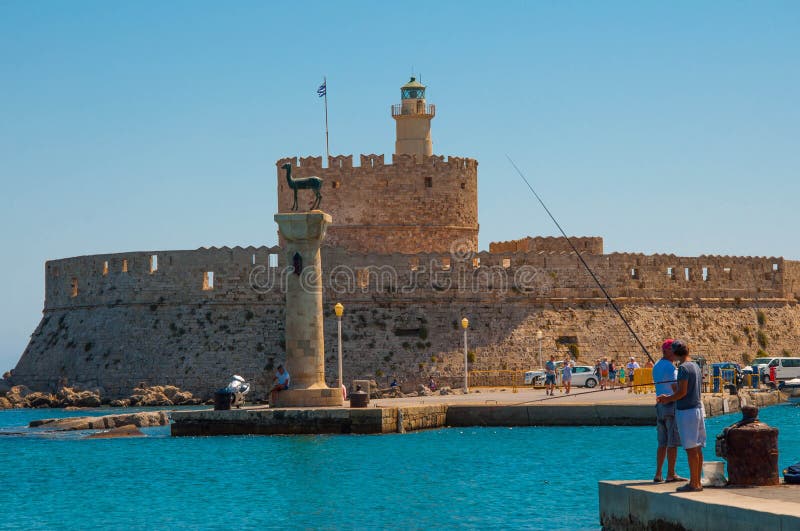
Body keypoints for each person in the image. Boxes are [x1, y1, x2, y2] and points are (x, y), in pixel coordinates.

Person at [657, 340, 705, 492]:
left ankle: (694, 483)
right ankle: (697, 482)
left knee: (690, 448)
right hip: (698, 409)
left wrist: (667, 398)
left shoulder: (683, 368)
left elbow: (682, 392)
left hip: (687, 412)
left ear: (677, 353)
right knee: (697, 448)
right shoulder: (695, 366)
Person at [652, 339, 686, 483]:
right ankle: (671, 474)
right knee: (672, 442)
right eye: (672, 350)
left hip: (659, 406)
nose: (674, 352)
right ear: (665, 351)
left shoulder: (657, 366)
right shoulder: (671, 368)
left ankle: (658, 474)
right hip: (670, 406)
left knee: (662, 443)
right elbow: (674, 388)